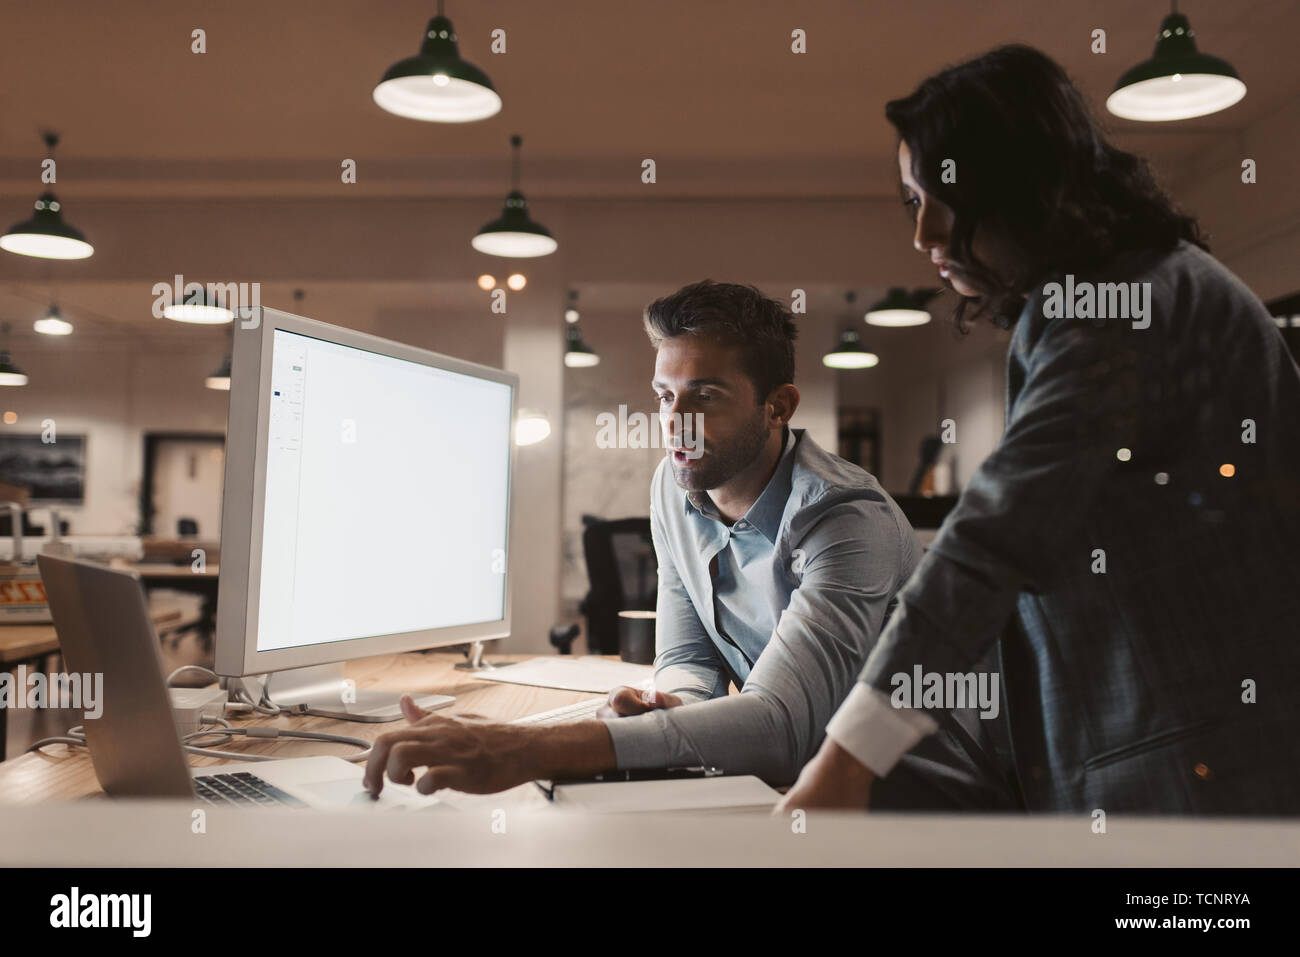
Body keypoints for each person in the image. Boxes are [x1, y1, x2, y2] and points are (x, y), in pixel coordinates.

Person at [779, 45, 1300, 816]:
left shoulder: (1121, 302)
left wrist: (844, 765)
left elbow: (995, 539)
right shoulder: (1136, 286)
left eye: (940, 199)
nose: (923, 233)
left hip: (1198, 774)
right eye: (911, 201)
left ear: (1017, 186)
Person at [364, 280, 1010, 808]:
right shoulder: (675, 487)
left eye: (704, 396)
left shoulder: (845, 519)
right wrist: (668, 700)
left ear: (778, 406)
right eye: (665, 396)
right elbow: (690, 660)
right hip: (788, 779)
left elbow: (782, 727)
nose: (675, 424)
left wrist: (525, 747)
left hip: (918, 798)